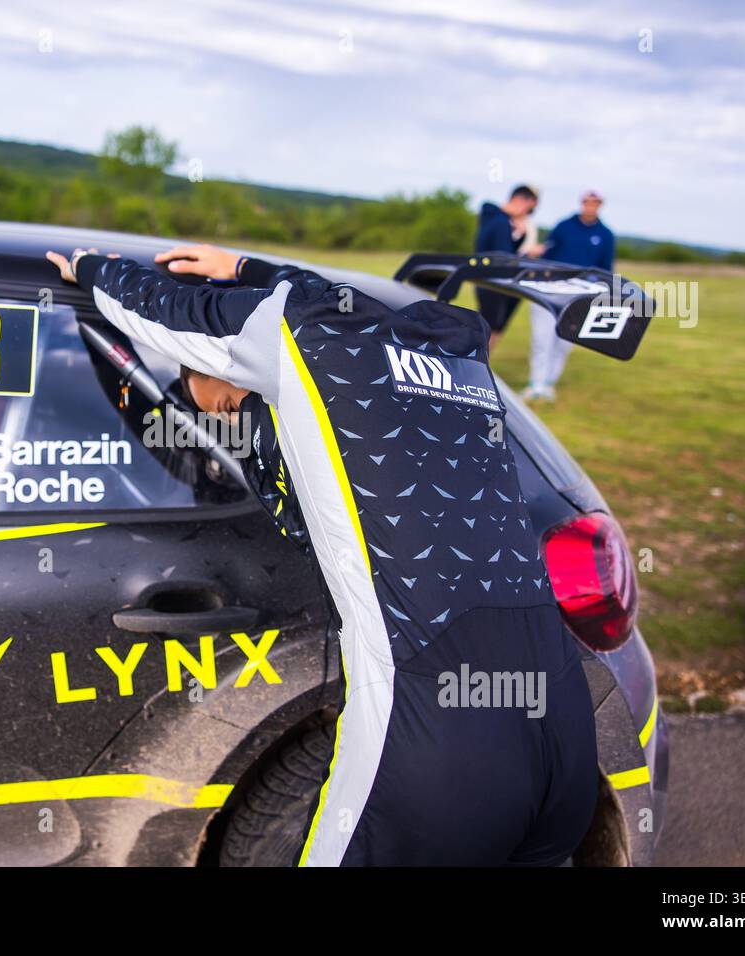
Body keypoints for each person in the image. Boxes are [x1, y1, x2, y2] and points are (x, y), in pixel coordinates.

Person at [47, 242, 597, 866]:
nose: (239, 412)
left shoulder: (290, 337)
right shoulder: (443, 342)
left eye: (225, 403)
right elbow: (324, 299)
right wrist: (245, 269)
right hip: (565, 730)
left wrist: (93, 268)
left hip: (435, 744)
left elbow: (165, 311)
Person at [525, 189, 616, 402]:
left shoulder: (605, 235)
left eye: (595, 203)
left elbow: (605, 269)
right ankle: (535, 384)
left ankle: (548, 384)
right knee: (542, 339)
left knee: (564, 341)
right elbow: (547, 255)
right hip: (551, 289)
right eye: (587, 202)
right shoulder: (564, 227)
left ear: (600, 205)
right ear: (582, 203)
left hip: (580, 295)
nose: (590, 206)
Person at [474, 184, 542, 351]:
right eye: (528, 209)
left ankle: (483, 362)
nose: (527, 214)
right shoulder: (500, 221)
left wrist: (519, 236)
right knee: (490, 328)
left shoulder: (498, 220)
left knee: (495, 327)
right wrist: (527, 254)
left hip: (497, 282)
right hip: (493, 282)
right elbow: (503, 257)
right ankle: (477, 363)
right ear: (521, 200)